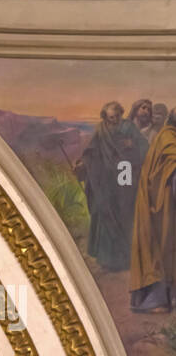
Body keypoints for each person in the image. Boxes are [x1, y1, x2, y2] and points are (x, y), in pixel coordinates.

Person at [75, 101, 148, 273]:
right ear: (105, 117)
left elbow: (144, 146)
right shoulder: (101, 130)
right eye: (110, 118)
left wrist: (133, 146)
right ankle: (107, 260)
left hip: (125, 175)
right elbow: (91, 151)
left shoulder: (129, 127)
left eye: (116, 117)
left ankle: (126, 259)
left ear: (121, 114)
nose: (114, 120)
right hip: (106, 180)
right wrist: (82, 165)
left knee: (124, 214)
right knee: (105, 213)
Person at [130, 109, 176, 313]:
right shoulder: (168, 139)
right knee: (161, 249)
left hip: (164, 204)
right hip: (160, 205)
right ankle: (157, 300)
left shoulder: (167, 136)